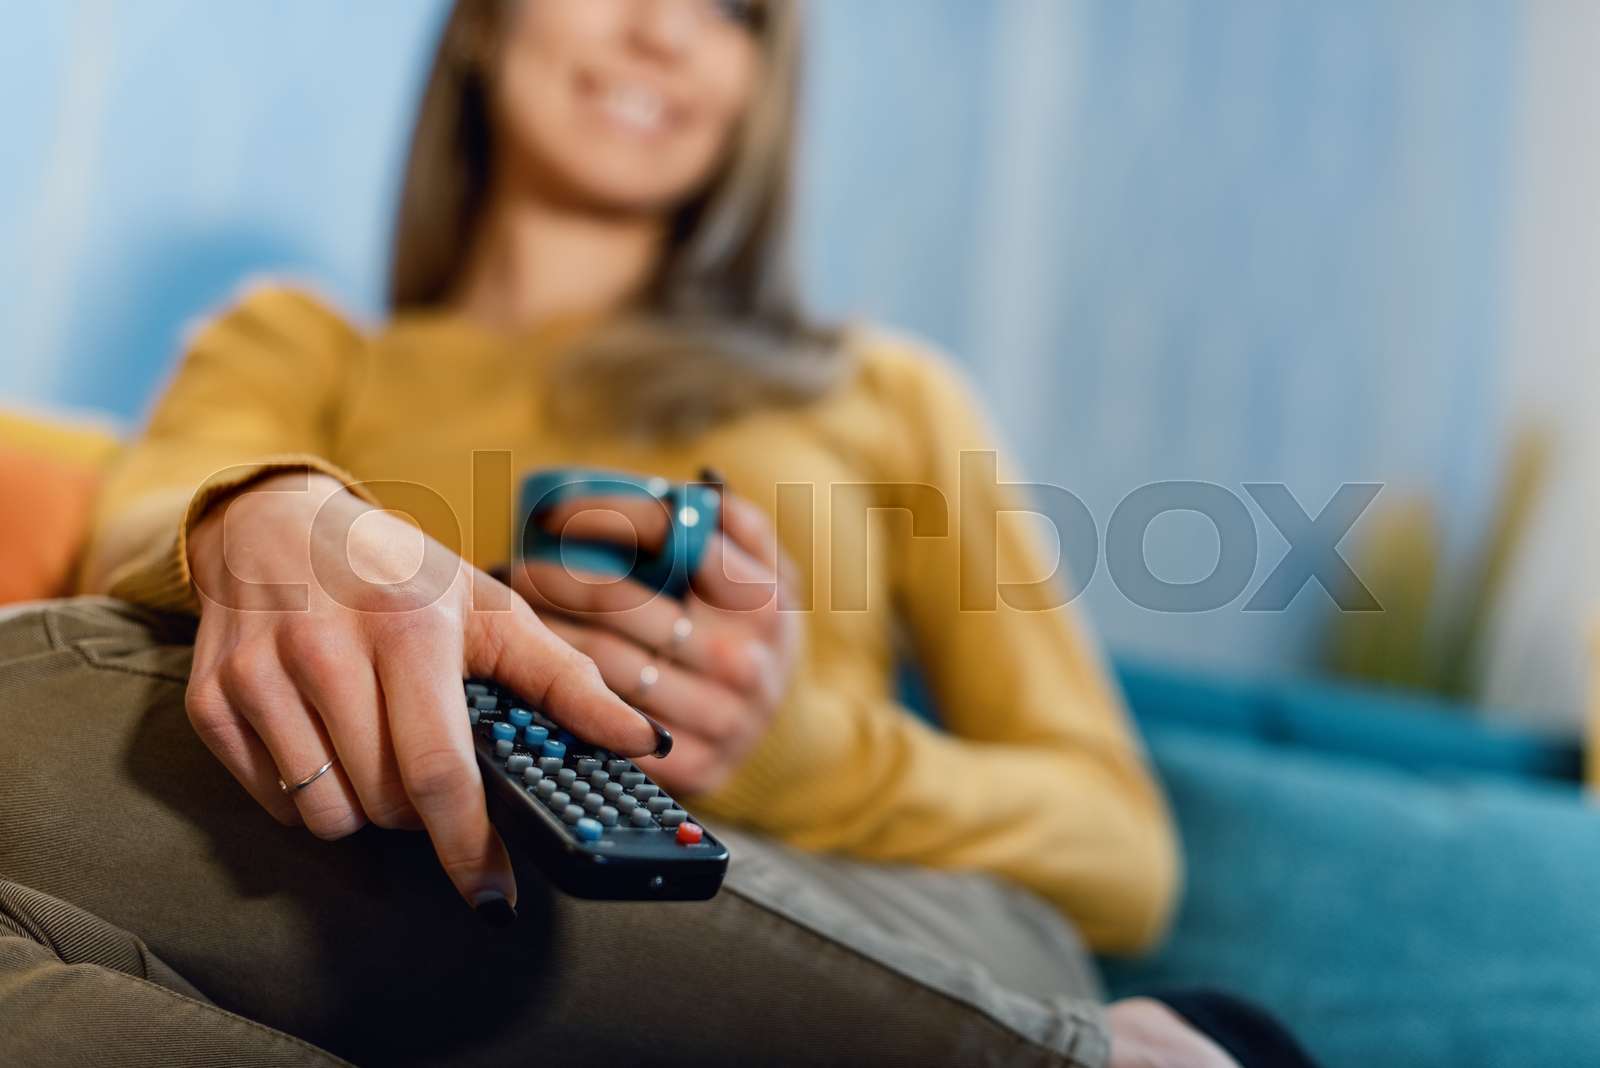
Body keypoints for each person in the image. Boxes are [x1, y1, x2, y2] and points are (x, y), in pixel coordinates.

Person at [0, 2, 1307, 1065]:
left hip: (846, 906)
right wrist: (276, 513)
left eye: (731, 10)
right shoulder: (299, 344)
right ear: (486, 22)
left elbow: (1120, 848)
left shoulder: (883, 391)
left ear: (758, 84)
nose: (665, 31)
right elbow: (143, 515)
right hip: (429, 885)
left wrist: (794, 756)